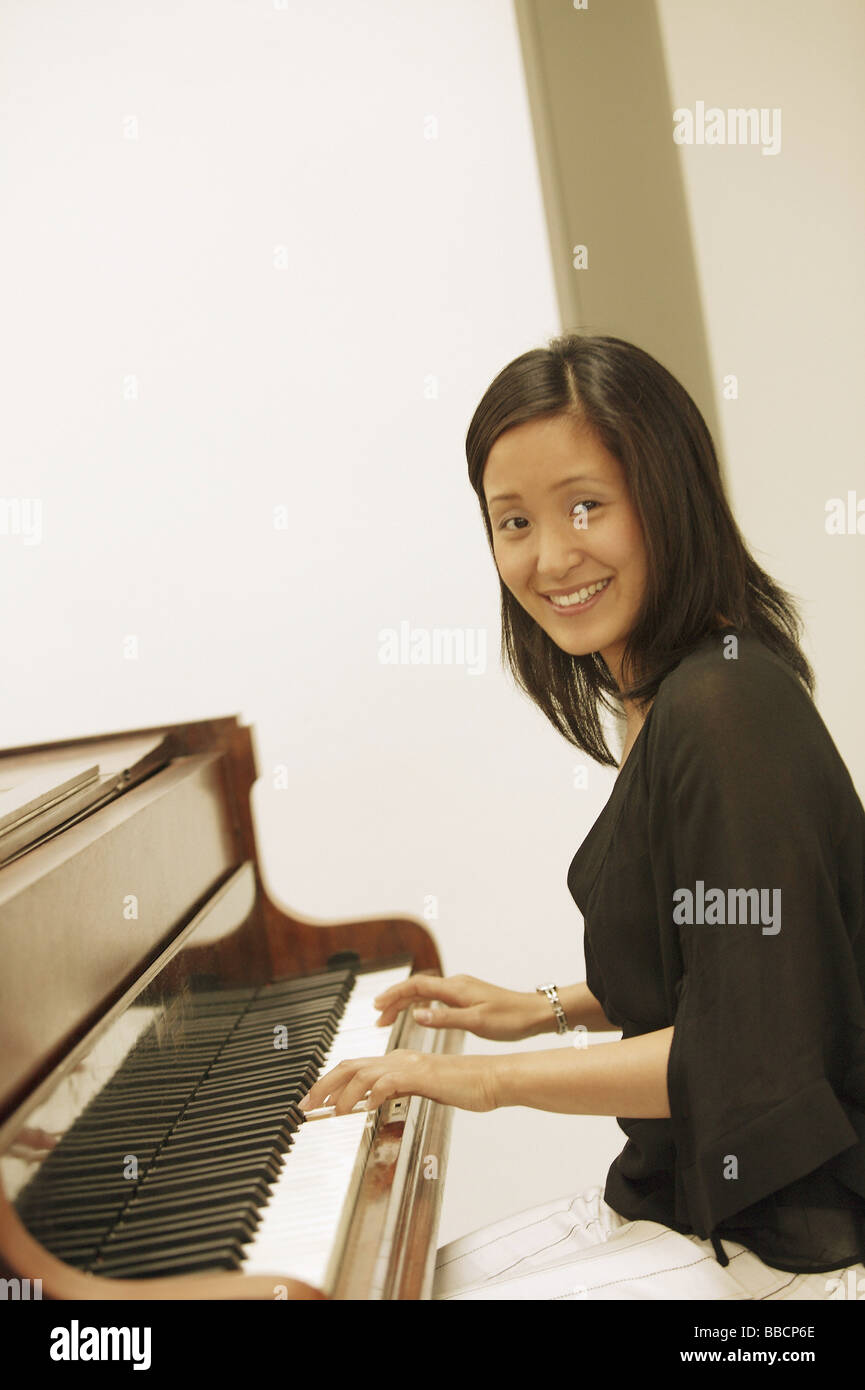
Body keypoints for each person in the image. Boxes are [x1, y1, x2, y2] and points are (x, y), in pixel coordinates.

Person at [299, 334, 865, 1300]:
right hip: (680, 1201)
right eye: (512, 521)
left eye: (586, 506)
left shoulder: (725, 712)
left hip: (788, 1246)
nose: (550, 557)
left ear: (666, 499)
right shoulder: (677, 694)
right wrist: (543, 1010)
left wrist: (479, 1082)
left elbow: (749, 1049)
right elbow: (737, 958)